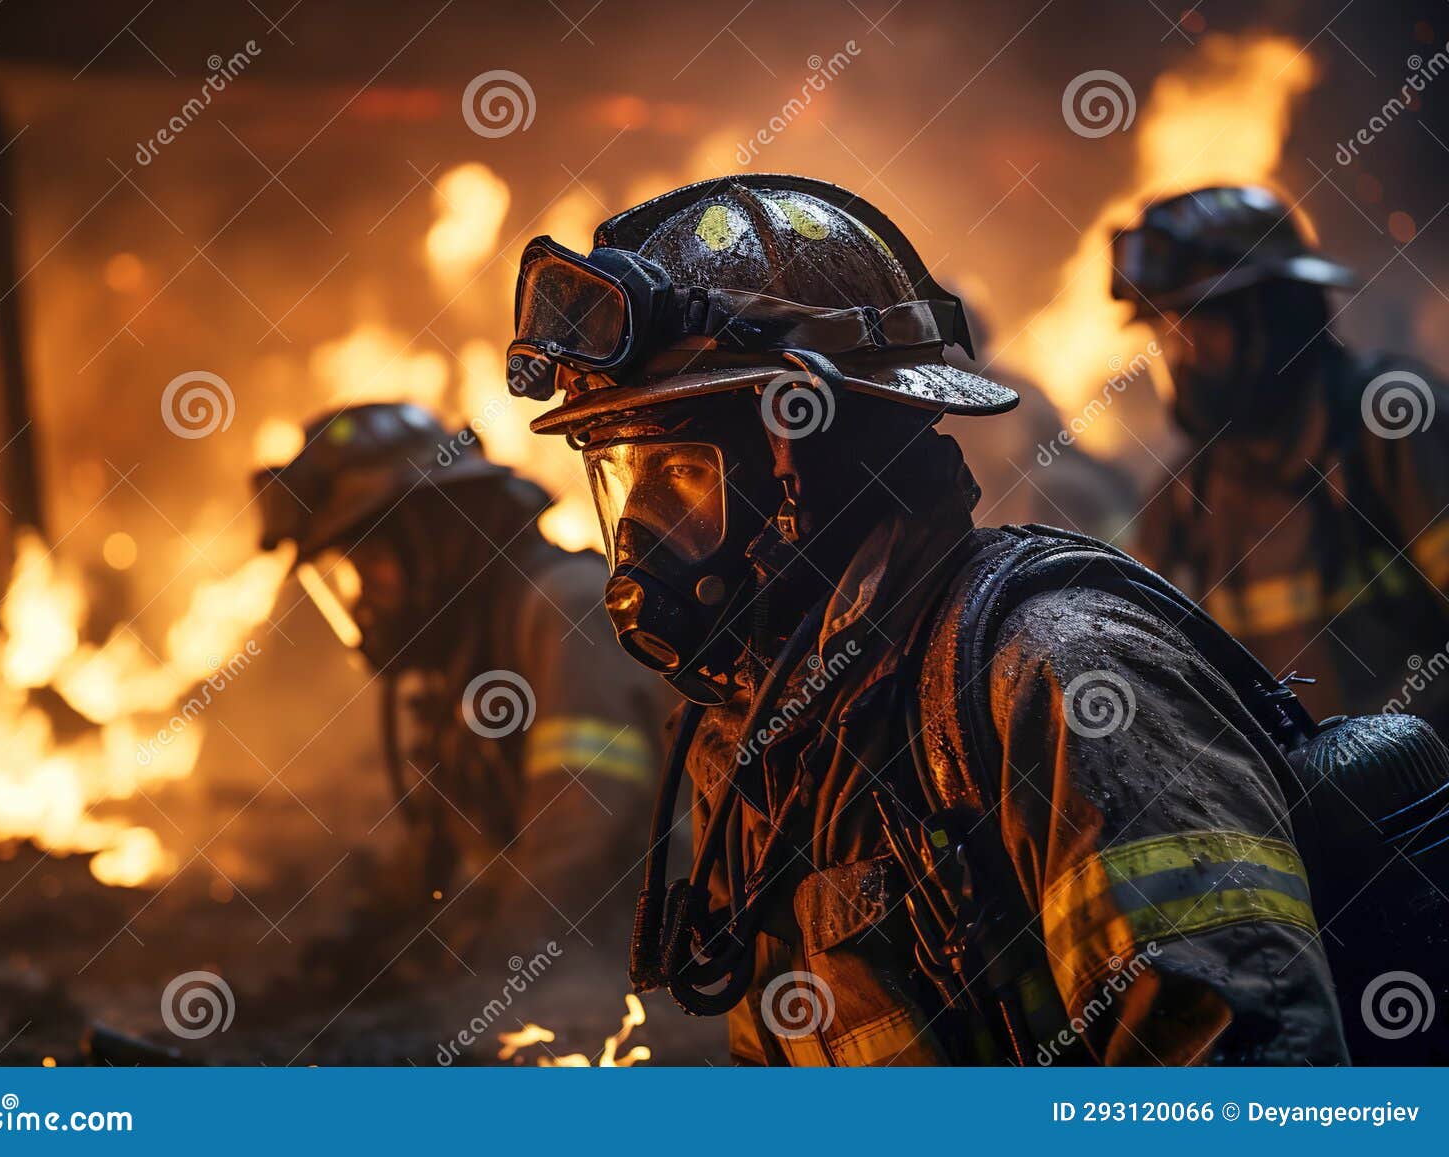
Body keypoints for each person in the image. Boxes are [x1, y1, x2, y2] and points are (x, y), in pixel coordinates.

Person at [503, 175, 1347, 1065]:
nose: (638, 538)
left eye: (677, 475)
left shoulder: (1060, 678)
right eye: (622, 482)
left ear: (802, 454)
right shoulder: (757, 745)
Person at [253, 403, 671, 1003]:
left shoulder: (563, 611)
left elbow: (579, 841)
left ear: (433, 536)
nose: (363, 599)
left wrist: (482, 999)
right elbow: (436, 857)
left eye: (368, 567)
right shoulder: (469, 655)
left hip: (653, 998)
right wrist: (354, 968)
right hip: (573, 976)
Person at [1113, 185, 1449, 730]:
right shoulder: (1184, 497)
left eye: (1200, 326)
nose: (1180, 358)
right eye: (1165, 332)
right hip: (1295, 814)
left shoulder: (1391, 426)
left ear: (1279, 317)